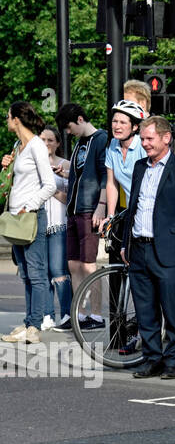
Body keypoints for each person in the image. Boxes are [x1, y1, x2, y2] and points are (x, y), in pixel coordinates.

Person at [123, 117, 175, 378]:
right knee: (145, 310)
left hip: (169, 250)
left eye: (149, 139)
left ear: (166, 138)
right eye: (143, 139)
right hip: (139, 248)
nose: (144, 144)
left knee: (171, 309)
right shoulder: (139, 167)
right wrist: (126, 243)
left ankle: (173, 361)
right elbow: (133, 207)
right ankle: (152, 358)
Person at [1, 104, 59, 344]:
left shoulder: (36, 145)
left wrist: (30, 205)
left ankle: (34, 326)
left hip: (31, 216)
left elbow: (50, 185)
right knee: (25, 273)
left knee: (36, 273)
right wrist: (7, 166)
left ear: (16, 120)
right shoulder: (18, 146)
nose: (6, 120)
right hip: (16, 218)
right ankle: (29, 322)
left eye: (8, 117)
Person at [55, 103, 109, 328]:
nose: (68, 133)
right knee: (73, 264)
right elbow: (83, 172)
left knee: (89, 264)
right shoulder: (79, 144)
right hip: (74, 209)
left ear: (79, 119)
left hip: (89, 209)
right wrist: (67, 173)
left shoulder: (101, 139)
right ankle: (80, 313)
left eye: (68, 127)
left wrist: (101, 206)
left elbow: (106, 174)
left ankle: (96, 315)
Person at [37, 126, 72, 327]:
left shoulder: (65, 165)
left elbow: (71, 198)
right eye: (43, 140)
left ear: (58, 143)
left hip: (59, 223)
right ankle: (47, 315)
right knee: (43, 271)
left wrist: (52, 191)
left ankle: (67, 314)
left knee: (58, 269)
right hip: (40, 225)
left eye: (50, 140)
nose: (47, 144)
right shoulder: (35, 164)